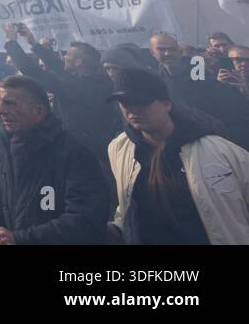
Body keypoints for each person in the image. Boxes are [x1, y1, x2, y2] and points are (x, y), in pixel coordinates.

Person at [105, 68, 249, 244]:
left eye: (142, 102)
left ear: (166, 104)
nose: (133, 111)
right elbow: (128, 205)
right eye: (125, 103)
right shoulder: (119, 149)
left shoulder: (220, 151)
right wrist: (114, 230)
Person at [0, 75, 110, 245]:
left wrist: (21, 239)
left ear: (39, 112)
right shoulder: (4, 149)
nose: (0, 110)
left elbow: (84, 220)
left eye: (10, 103)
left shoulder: (74, 155)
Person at [2, 23, 118, 169]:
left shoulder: (78, 87)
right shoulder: (96, 81)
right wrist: (33, 42)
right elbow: (58, 66)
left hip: (82, 158)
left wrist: (11, 43)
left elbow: (34, 71)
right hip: (90, 152)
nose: (63, 57)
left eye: (67, 55)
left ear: (78, 62)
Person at [149, 33, 249, 149]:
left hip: (210, 141)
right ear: (152, 52)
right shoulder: (154, 80)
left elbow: (233, 112)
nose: (167, 53)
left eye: (171, 49)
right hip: (175, 142)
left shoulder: (201, 76)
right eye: (161, 49)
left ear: (179, 51)